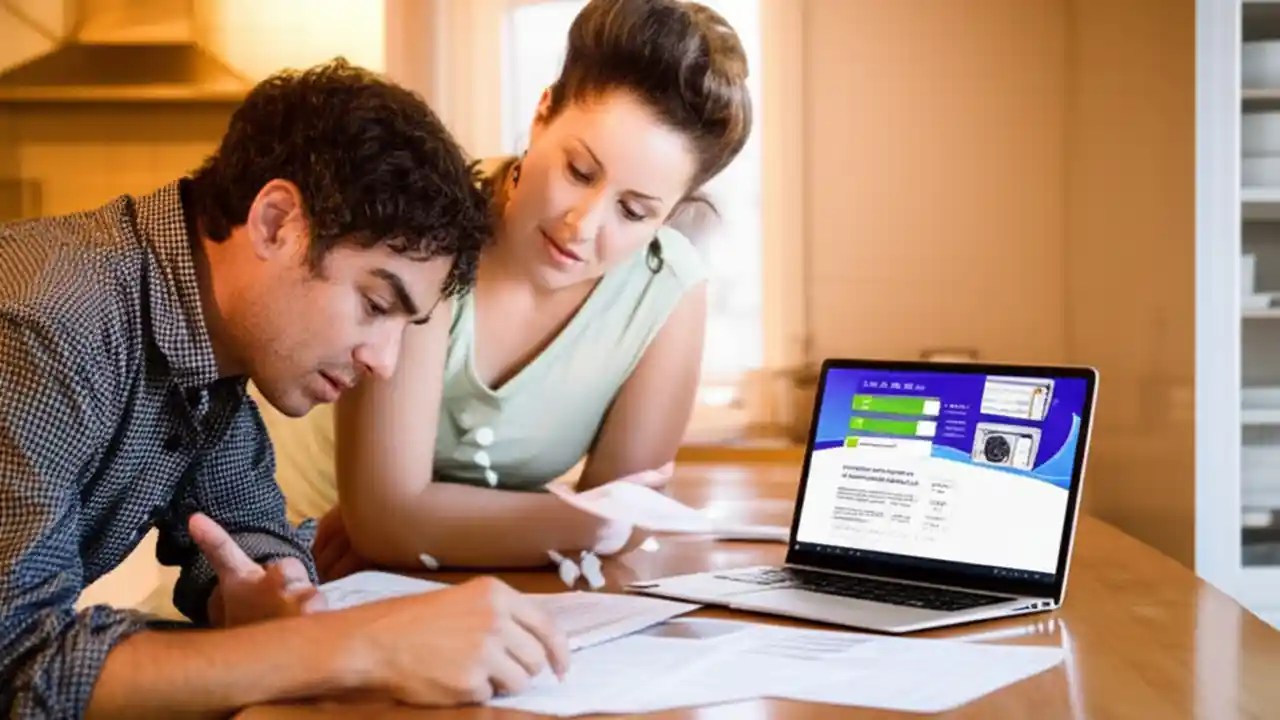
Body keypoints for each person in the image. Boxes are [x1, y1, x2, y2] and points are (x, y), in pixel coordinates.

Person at [0, 59, 568, 717]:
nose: (383, 362)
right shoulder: (43, 327)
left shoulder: (209, 350)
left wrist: (277, 591)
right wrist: (358, 644)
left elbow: (248, 531)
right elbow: (20, 668)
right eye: (376, 304)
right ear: (275, 222)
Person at [268, 0, 754, 577]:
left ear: (670, 214)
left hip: (461, 585)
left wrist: (417, 523)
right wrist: (583, 524)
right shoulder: (431, 230)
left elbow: (627, 518)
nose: (583, 225)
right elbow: (383, 520)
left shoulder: (667, 288)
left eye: (634, 210)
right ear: (543, 113)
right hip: (293, 561)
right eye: (579, 171)